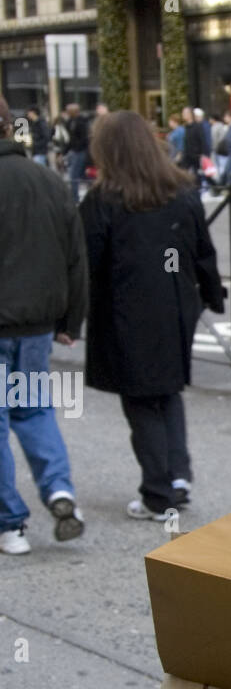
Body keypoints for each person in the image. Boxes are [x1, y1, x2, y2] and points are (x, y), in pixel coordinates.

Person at [78, 110, 225, 522]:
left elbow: (86, 264)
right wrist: (214, 296)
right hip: (176, 306)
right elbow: (202, 254)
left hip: (125, 311)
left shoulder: (104, 199)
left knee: (141, 400)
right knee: (168, 391)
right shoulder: (181, 191)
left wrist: (69, 318)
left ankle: (158, 493)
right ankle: (177, 476)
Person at [0, 96, 88, 554]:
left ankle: (10, 524)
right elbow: (76, 258)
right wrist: (70, 320)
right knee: (34, 410)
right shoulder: (49, 181)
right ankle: (59, 490)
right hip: (35, 324)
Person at [63, 102, 90, 202]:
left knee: (74, 175)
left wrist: (77, 147)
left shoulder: (81, 122)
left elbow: (84, 138)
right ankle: (75, 196)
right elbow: (69, 138)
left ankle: (75, 198)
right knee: (78, 174)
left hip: (79, 151)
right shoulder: (70, 122)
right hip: (73, 151)